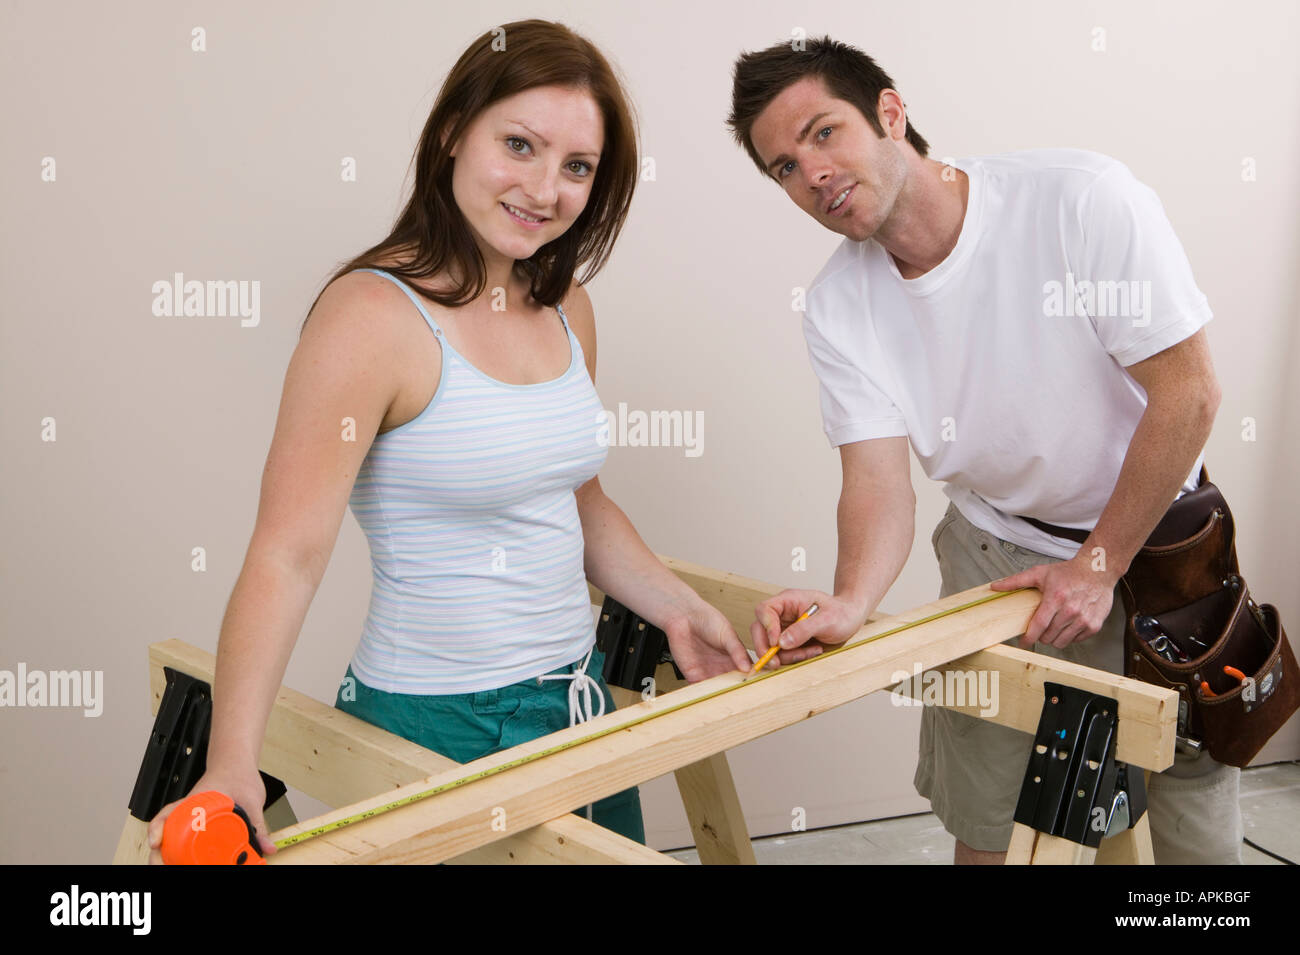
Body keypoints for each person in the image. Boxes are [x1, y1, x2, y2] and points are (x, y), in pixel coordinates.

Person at [147, 18, 751, 862]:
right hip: (435, 729)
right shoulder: (370, 319)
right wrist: (230, 762)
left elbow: (575, 500)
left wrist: (682, 612)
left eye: (577, 166)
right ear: (450, 135)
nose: (546, 188)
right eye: (519, 144)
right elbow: (287, 553)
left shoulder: (566, 306)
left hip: (578, 710)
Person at [726, 36, 1239, 864]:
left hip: (1161, 547)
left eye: (823, 133)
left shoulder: (1079, 200)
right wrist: (852, 600)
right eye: (782, 165)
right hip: (996, 555)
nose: (810, 173)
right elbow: (877, 483)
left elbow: (1190, 394)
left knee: (1194, 831)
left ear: (891, 111)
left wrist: (1099, 565)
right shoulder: (836, 306)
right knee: (988, 823)